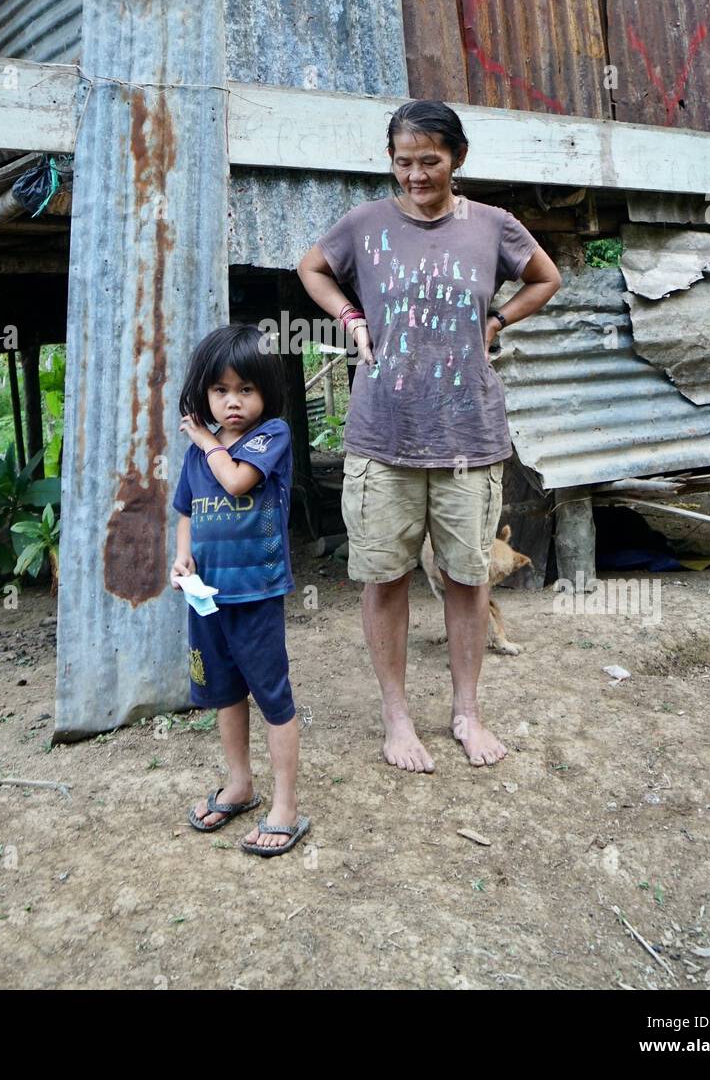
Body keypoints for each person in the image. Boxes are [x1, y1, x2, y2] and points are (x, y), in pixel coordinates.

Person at [297, 100, 562, 772]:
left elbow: (546, 276)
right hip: (382, 433)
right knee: (385, 579)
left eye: (429, 161)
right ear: (391, 161)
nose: (415, 175)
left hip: (468, 434)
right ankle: (397, 720)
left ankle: (467, 713)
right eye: (403, 162)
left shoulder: (493, 226)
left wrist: (497, 321)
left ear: (457, 159)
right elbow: (311, 268)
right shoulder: (363, 225)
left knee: (467, 579)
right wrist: (352, 319)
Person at [170, 324, 310, 855]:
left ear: (265, 393)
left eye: (245, 390)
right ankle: (239, 784)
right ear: (204, 393)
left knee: (273, 698)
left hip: (256, 594)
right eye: (221, 391)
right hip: (208, 596)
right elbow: (186, 508)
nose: (233, 403)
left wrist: (206, 440)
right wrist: (183, 555)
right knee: (225, 693)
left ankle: (285, 807)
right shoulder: (193, 458)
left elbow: (234, 481)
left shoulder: (269, 436)